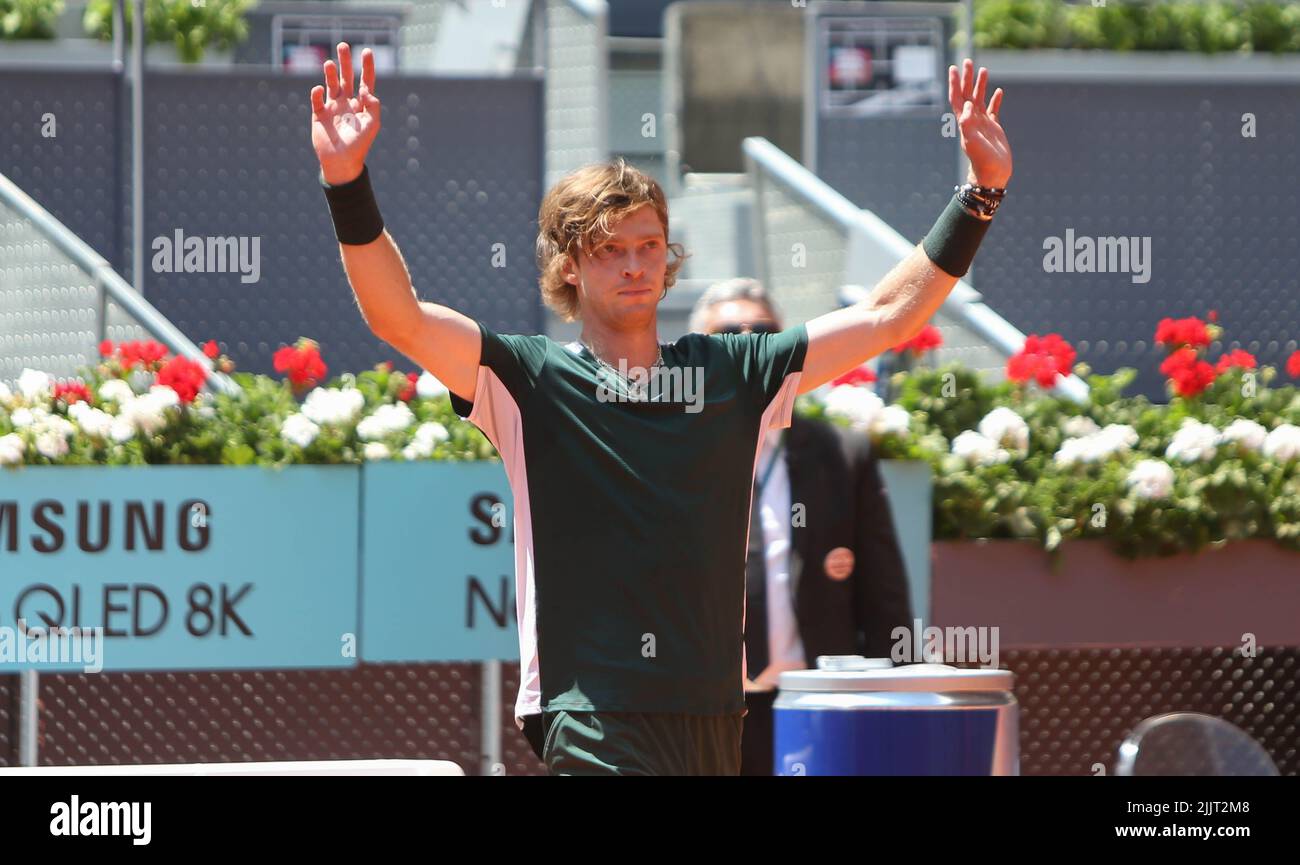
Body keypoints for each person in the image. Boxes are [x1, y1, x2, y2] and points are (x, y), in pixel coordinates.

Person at [310, 43, 1012, 775]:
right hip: (590, 711)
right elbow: (402, 319)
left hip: (713, 712)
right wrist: (345, 180)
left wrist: (981, 193)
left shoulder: (734, 371)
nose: (638, 263)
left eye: (650, 244)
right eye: (612, 248)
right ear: (570, 266)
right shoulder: (528, 378)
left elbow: (886, 317)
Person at [691, 280, 913, 775]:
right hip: (704, 714)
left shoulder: (840, 455)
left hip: (812, 707)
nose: (748, 346)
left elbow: (884, 595)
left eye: (764, 333)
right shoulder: (673, 453)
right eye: (729, 335)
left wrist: (893, 703)